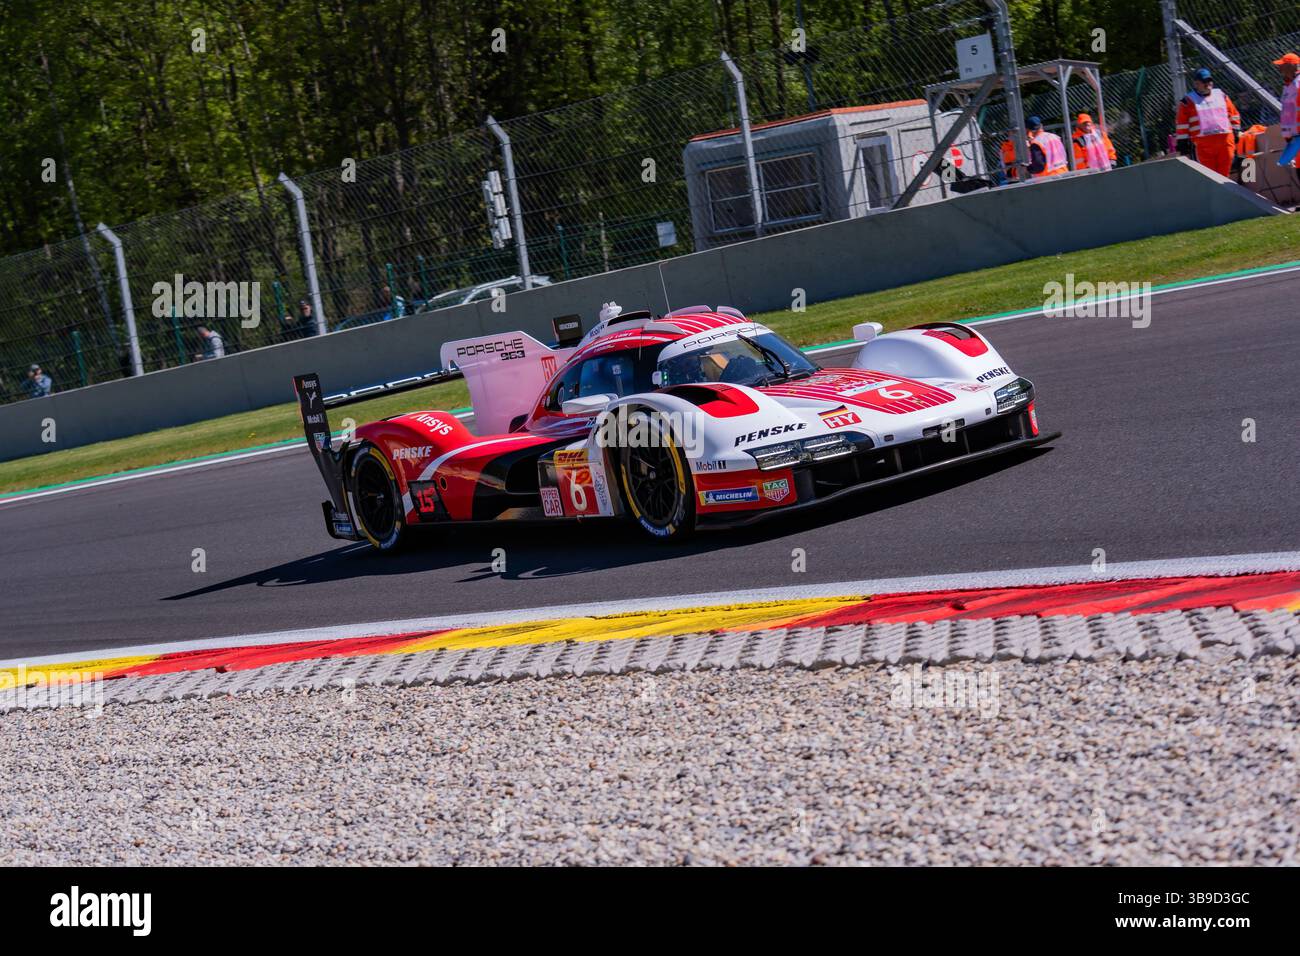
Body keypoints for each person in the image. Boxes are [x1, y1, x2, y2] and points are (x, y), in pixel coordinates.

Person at [1175, 68, 1241, 176]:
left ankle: (1223, 192)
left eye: (1209, 81)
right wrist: (1183, 144)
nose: (1208, 84)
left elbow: (1234, 114)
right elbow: (1182, 124)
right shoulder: (1187, 101)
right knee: (1211, 177)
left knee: (1224, 175)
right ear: (1196, 84)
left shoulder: (1221, 95)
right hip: (1203, 146)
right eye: (1204, 81)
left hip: (1226, 143)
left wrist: (1236, 131)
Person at [1273, 52, 1300, 166]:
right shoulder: (1288, 86)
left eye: (1282, 66)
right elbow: (1287, 114)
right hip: (1295, 137)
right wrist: (1288, 136)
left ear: (1292, 67)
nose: (1279, 69)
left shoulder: (1298, 83)